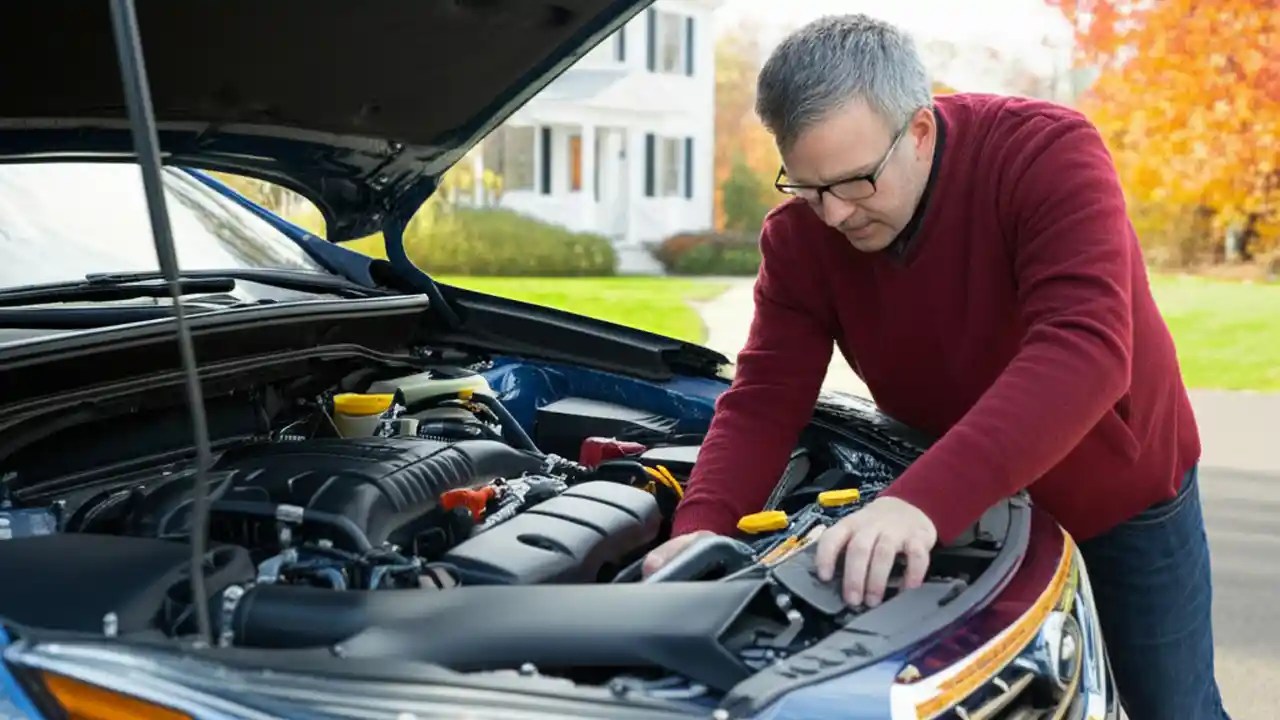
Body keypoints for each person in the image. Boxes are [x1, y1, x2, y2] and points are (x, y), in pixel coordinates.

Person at [640, 14, 1230, 720]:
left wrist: (919, 504)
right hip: (972, 516)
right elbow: (765, 396)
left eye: (854, 182)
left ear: (919, 130)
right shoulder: (802, 240)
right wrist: (703, 528)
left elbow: (1085, 348)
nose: (832, 215)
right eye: (806, 186)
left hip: (1120, 499)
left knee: (1175, 709)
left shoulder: (1046, 154)